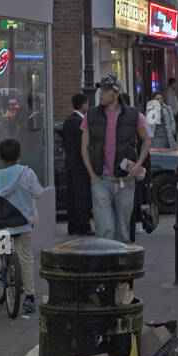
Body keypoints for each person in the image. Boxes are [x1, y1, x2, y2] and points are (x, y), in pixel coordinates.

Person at [0, 138, 44, 315]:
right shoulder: (27, 173)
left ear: (0, 156)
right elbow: (38, 193)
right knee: (26, 258)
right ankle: (29, 297)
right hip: (22, 226)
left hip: (0, 228)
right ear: (19, 155)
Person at [80, 75, 151, 243]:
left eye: (105, 91)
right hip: (100, 179)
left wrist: (138, 164)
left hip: (125, 180)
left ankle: (120, 265)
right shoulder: (91, 115)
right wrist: (92, 175)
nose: (101, 94)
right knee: (105, 228)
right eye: (101, 90)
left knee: (123, 230)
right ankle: (107, 266)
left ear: (116, 93)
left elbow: (147, 140)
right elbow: (84, 147)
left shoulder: (133, 115)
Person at [61, 92, 92, 235]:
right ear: (83, 104)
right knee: (82, 196)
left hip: (70, 164)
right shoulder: (81, 123)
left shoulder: (67, 121)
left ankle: (72, 225)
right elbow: (84, 146)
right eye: (87, 103)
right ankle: (83, 226)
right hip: (81, 166)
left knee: (71, 196)